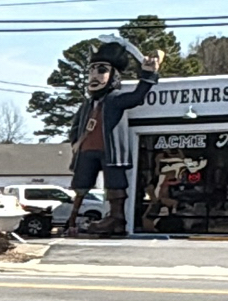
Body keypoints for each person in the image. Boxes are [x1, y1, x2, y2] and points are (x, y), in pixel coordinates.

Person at [67, 39, 164, 237]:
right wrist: (74, 142)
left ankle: (117, 218)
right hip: (86, 150)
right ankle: (72, 218)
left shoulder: (115, 99)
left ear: (113, 75)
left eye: (101, 70)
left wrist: (148, 74)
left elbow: (137, 96)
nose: (94, 76)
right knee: (81, 183)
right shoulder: (87, 105)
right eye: (91, 71)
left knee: (115, 184)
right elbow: (76, 127)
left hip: (110, 150)